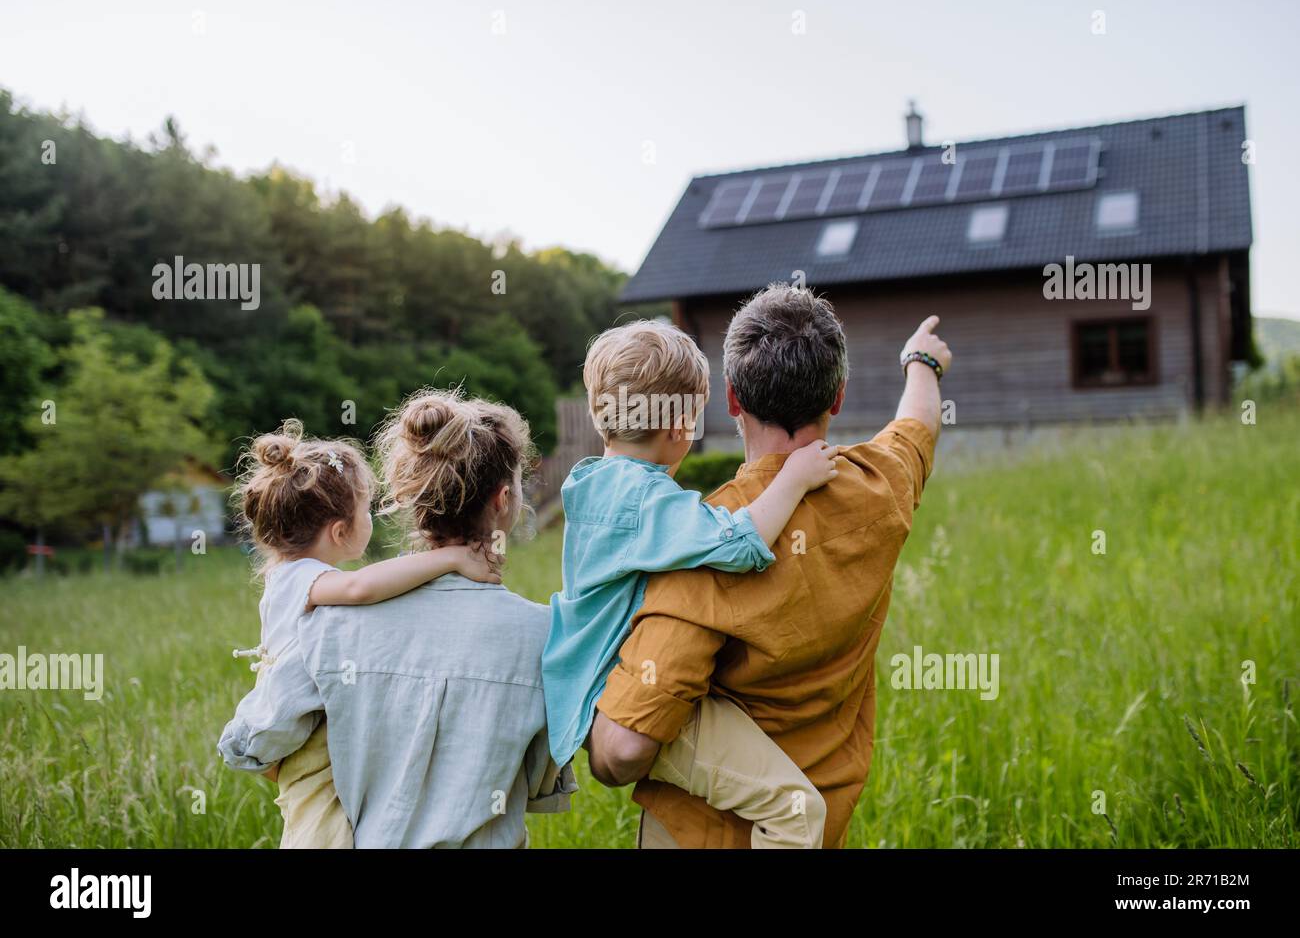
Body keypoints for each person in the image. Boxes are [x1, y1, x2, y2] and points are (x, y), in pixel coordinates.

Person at [588, 284, 952, 849]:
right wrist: (922, 360)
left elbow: (621, 751)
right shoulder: (882, 486)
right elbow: (917, 427)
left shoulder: (702, 542)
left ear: (732, 399)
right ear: (838, 396)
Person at [219, 391, 575, 847]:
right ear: (504, 499)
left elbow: (254, 743)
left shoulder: (327, 626)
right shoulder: (547, 636)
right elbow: (543, 783)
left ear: (410, 496)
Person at [545, 320, 837, 847]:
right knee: (797, 812)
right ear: (680, 427)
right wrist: (794, 476)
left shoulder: (589, 483)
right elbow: (738, 544)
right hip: (621, 699)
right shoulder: (644, 501)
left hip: (598, 697)